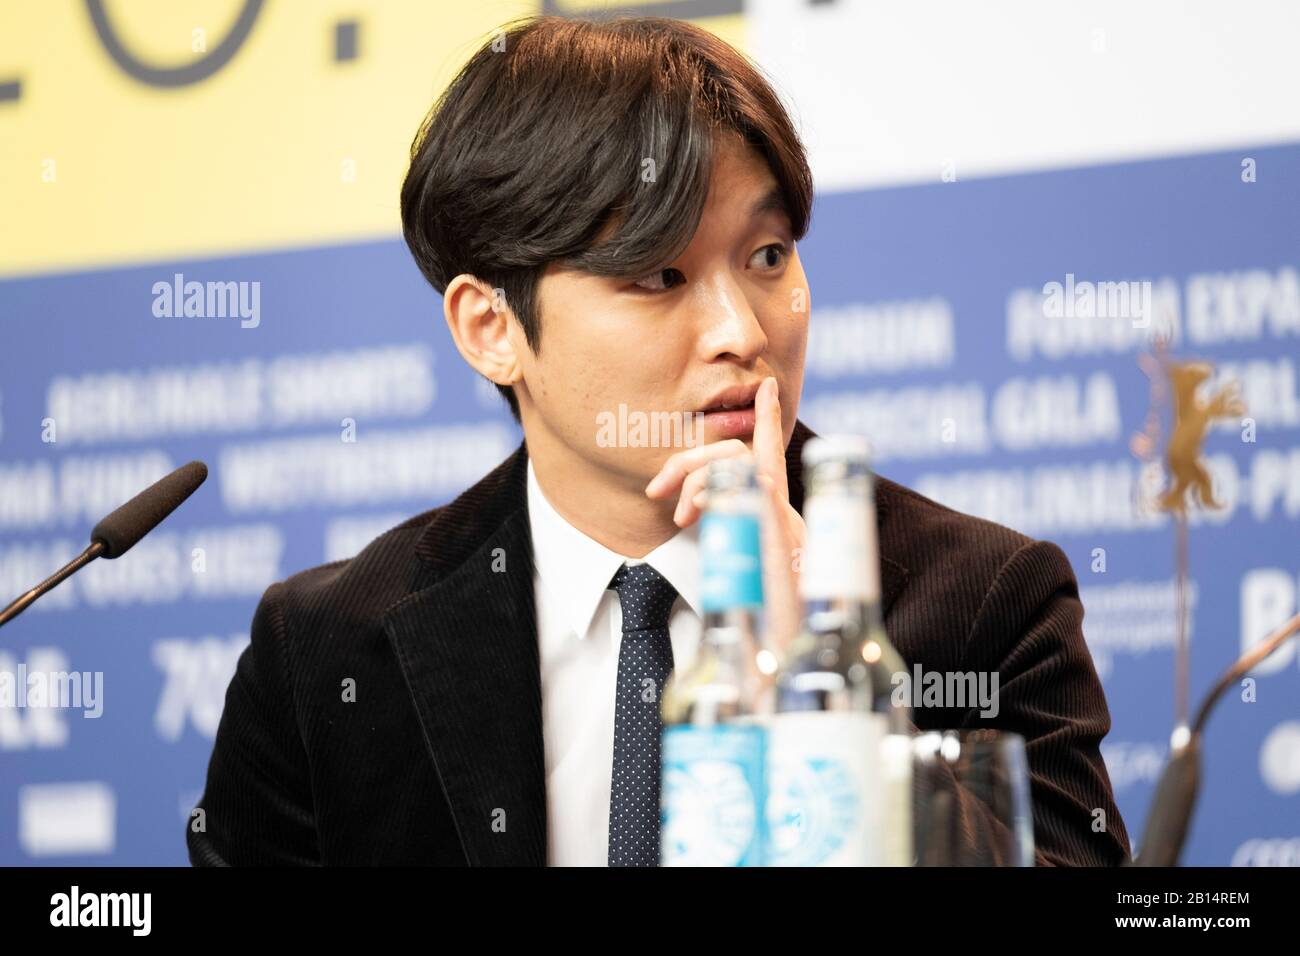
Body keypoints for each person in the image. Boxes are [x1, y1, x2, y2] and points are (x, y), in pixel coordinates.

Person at [187, 14, 1130, 867]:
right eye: (657, 274)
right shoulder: (325, 651)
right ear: (492, 329)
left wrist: (822, 684)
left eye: (767, 258)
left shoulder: (984, 602)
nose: (742, 331)